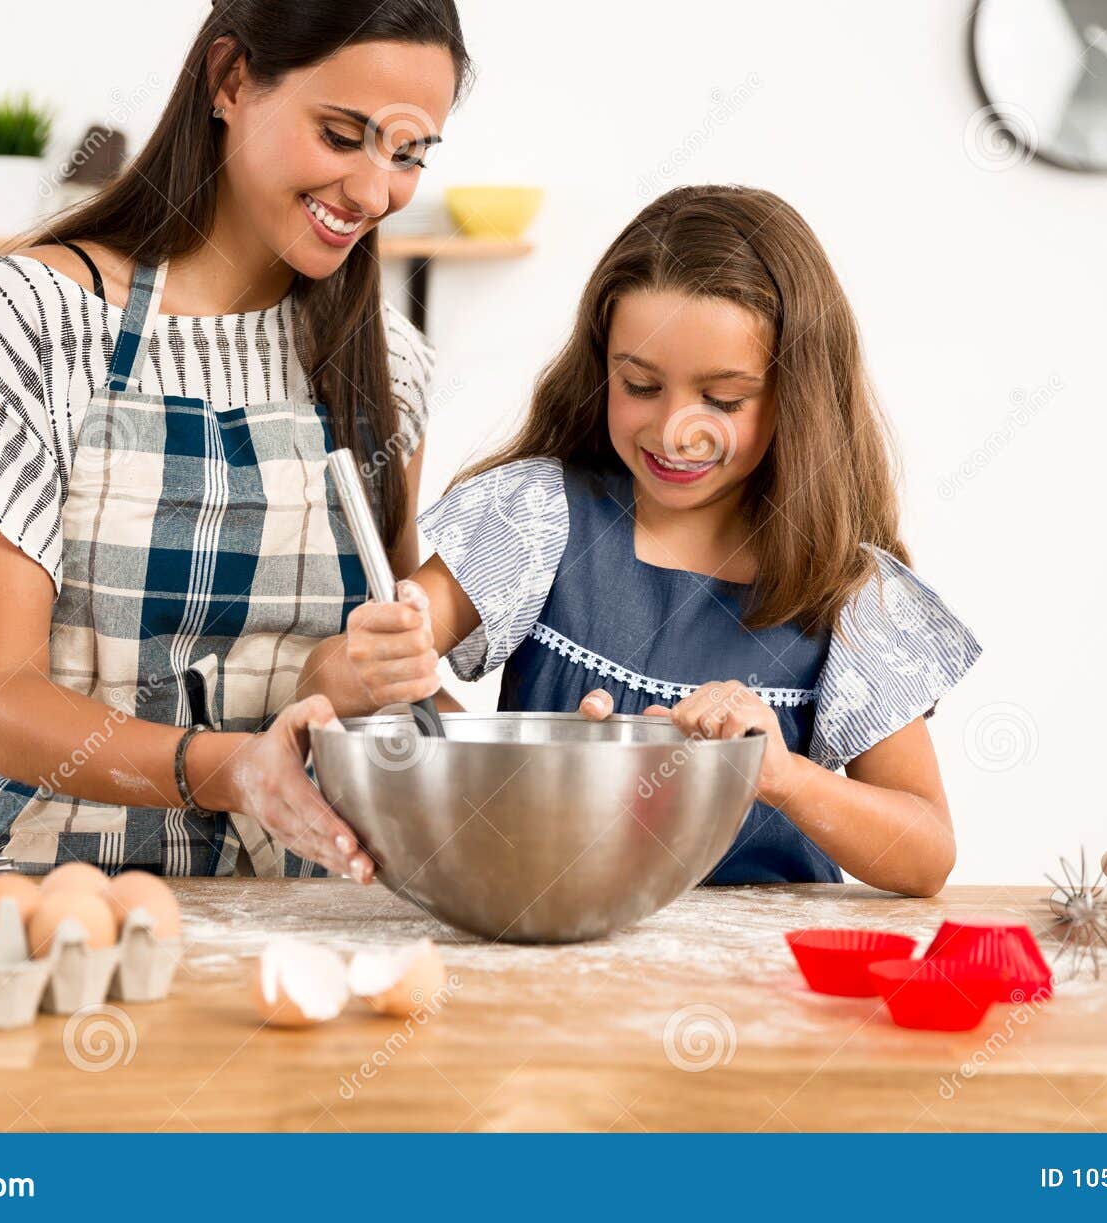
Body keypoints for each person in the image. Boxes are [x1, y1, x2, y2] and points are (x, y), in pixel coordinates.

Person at [0, 0, 470, 878]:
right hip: (69, 900)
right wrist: (236, 771)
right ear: (230, 79)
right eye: (342, 135)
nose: (374, 191)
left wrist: (538, 764)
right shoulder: (41, 322)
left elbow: (390, 678)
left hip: (316, 916)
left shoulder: (389, 366)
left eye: (408, 154)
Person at [301, 185, 980, 896]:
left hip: (760, 963)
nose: (674, 430)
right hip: (556, 943)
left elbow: (925, 854)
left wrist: (781, 774)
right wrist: (395, 679)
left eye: (723, 399)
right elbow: (325, 681)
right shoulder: (537, 517)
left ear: (797, 396)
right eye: (641, 385)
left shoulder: (846, 593)